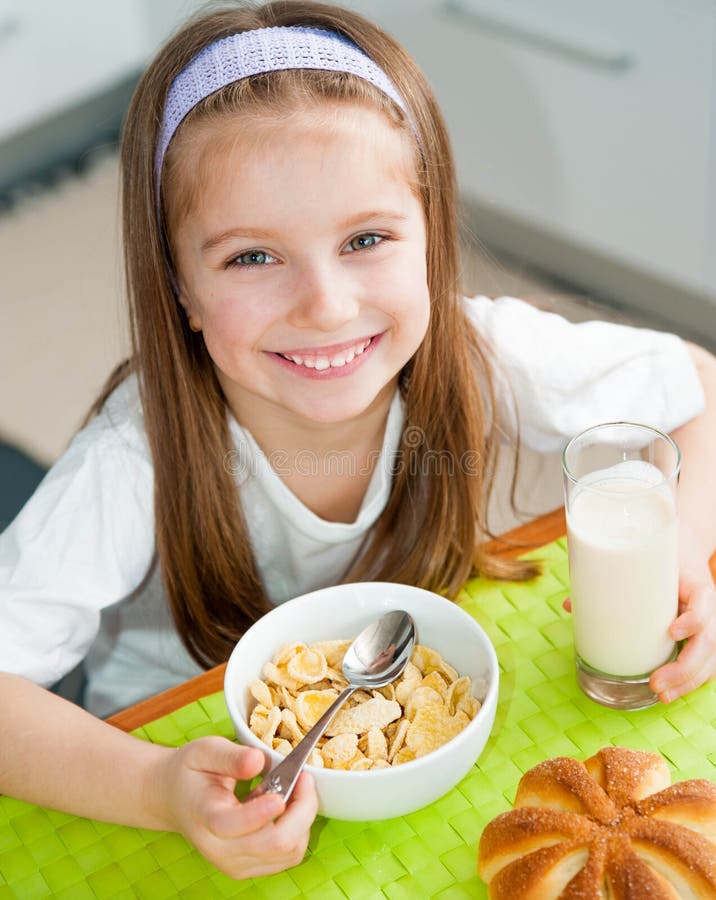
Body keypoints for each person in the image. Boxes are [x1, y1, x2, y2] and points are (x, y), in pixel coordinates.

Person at [1, 0, 715, 881]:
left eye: (367, 239)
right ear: (178, 286)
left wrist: (683, 542)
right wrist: (157, 787)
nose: (327, 306)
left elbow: (697, 385)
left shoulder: (479, 349)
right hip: (175, 760)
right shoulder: (132, 459)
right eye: (252, 258)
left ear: (430, 240)